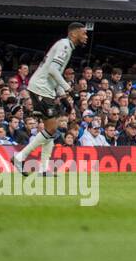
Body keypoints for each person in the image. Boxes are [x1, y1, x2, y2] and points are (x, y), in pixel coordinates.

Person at [10, 23, 89, 174]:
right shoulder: (65, 46)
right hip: (41, 88)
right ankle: (20, 157)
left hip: (45, 89)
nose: (86, 37)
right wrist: (69, 89)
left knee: (50, 129)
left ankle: (43, 169)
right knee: (52, 128)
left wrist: (63, 95)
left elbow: (54, 73)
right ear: (74, 34)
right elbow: (53, 70)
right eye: (84, 33)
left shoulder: (66, 46)